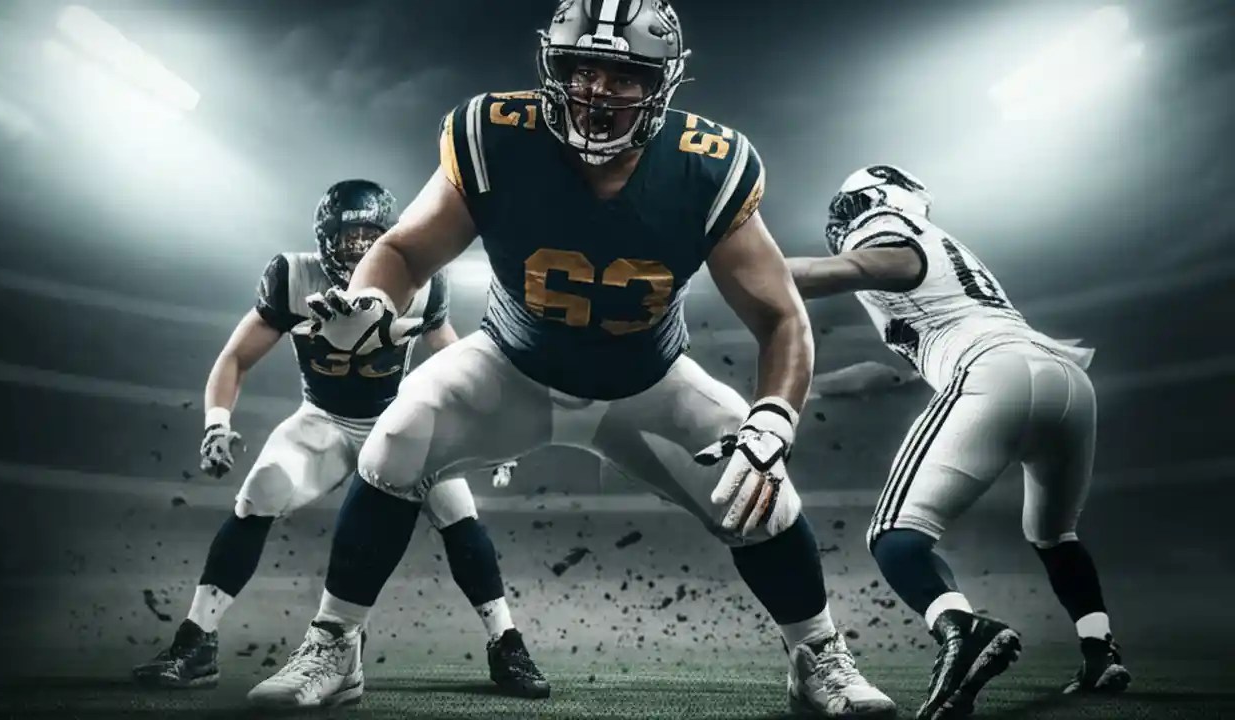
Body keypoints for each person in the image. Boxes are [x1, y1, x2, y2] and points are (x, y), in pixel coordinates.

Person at [248, 3, 897, 717]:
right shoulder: (496, 135)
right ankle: (335, 644)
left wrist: (774, 418)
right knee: (397, 436)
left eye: (623, 76)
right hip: (511, 368)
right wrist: (372, 300)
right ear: (550, 67)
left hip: (646, 383)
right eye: (581, 70)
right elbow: (403, 249)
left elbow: (781, 316)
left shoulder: (706, 166)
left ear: (663, 83)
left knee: (761, 490)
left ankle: (817, 656)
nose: (596, 92)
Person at [132, 179, 548, 700]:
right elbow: (235, 357)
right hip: (323, 419)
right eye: (349, 237)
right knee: (261, 489)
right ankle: (197, 642)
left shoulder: (425, 284)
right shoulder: (293, 276)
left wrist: (491, 430)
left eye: (370, 237)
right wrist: (217, 421)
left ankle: (506, 642)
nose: (359, 249)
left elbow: (457, 366)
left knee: (459, 512)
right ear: (325, 237)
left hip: (397, 423)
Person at [787, 164, 1131, 719]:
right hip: (1062, 377)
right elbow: (899, 368)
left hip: (993, 370)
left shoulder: (887, 228)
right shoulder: (944, 254)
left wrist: (737, 268)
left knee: (894, 538)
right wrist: (811, 387)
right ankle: (1100, 651)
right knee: (1054, 535)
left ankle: (961, 629)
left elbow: (855, 267)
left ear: (871, 200)